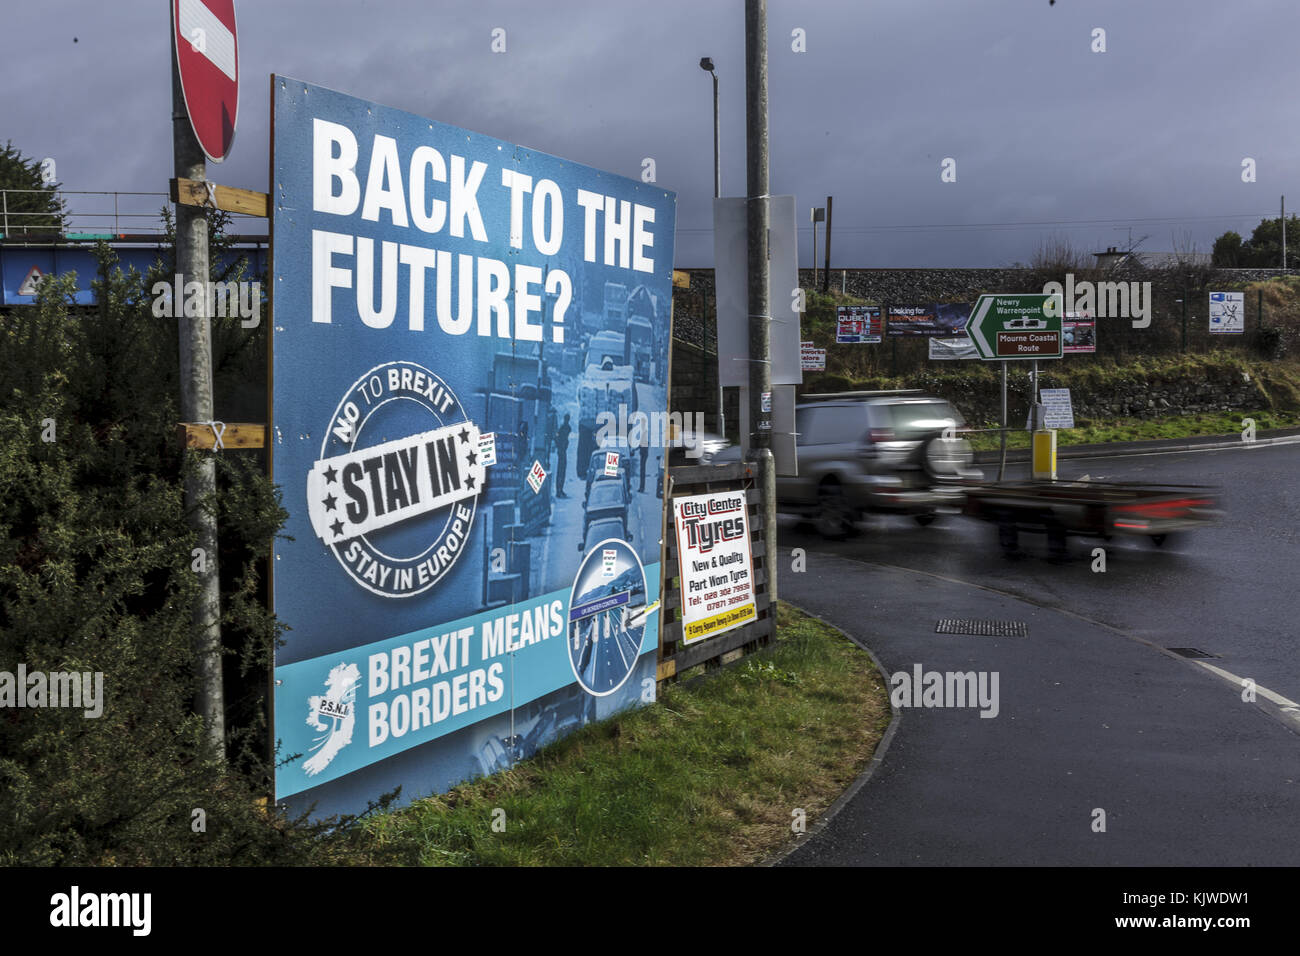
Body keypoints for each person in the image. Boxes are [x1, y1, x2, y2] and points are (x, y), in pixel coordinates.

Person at [554, 413, 572, 497]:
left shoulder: (568, 428)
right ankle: (559, 490)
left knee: (563, 470)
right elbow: (556, 437)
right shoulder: (562, 428)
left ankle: (561, 489)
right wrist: (559, 447)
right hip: (561, 450)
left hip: (563, 450)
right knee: (560, 471)